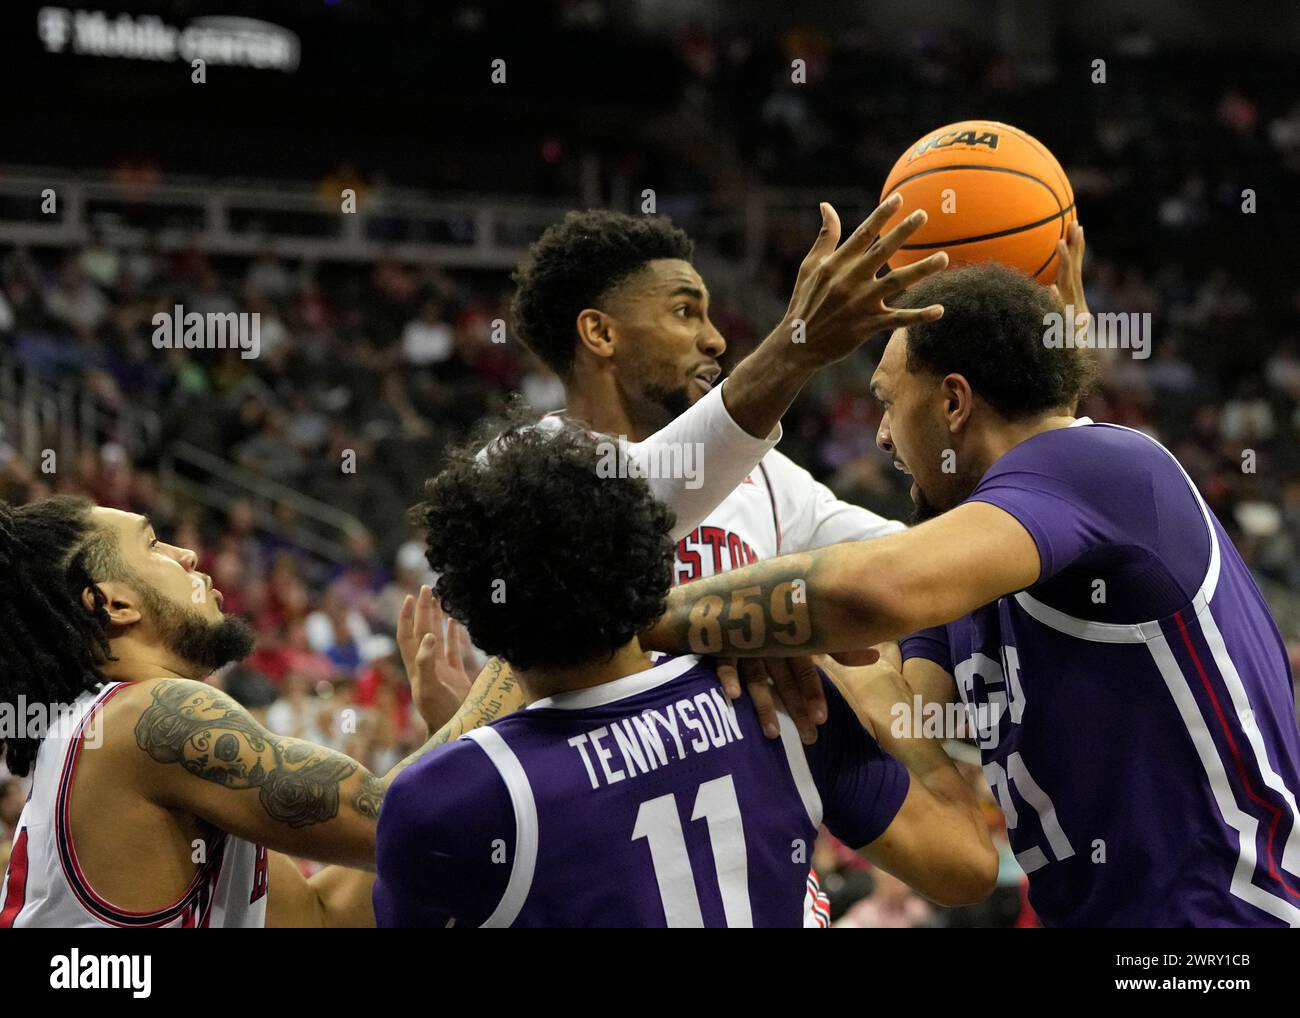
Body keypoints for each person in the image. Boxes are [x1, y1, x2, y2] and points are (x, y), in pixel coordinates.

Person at [639, 257, 1300, 927]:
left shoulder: (1105, 465)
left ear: (953, 402)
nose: (881, 435)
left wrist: (645, 620)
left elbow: (869, 592)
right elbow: (912, 730)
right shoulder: (980, 566)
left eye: (888, 401)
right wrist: (795, 661)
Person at [372, 419, 996, 927]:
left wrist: (461, 735)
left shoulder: (445, 798)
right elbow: (966, 868)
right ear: (647, 553)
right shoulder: (774, 691)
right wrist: (877, 689)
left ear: (473, 606)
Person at [0, 495, 468, 928]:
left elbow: (321, 917)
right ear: (115, 603)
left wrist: (451, 733)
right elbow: (398, 820)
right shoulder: (146, 716)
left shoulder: (105, 737)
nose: (187, 555)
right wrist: (504, 664)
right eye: (153, 544)